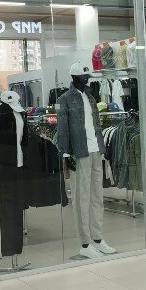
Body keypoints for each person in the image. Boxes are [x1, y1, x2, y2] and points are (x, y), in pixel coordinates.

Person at [56, 62, 116, 259]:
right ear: (74, 77)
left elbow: (96, 125)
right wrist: (66, 154)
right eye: (84, 76)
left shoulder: (91, 97)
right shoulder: (64, 99)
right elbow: (62, 128)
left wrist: (102, 148)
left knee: (97, 196)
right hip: (79, 152)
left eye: (87, 76)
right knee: (81, 198)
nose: (87, 78)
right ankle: (84, 243)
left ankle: (97, 239)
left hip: (95, 150)